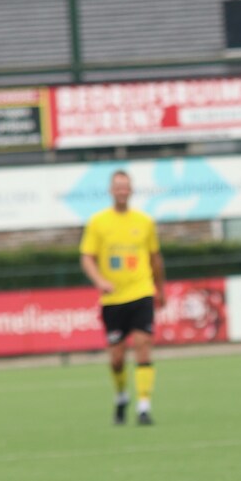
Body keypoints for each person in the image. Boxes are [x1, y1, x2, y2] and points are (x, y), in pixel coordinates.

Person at [79, 170, 167, 425]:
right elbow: (87, 257)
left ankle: (143, 406)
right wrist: (99, 281)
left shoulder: (144, 221)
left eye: (125, 186)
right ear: (110, 190)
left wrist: (160, 289)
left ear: (131, 190)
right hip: (113, 300)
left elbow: (155, 258)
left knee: (143, 346)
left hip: (141, 293)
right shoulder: (98, 222)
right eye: (117, 186)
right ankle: (121, 396)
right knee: (117, 359)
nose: (121, 191)